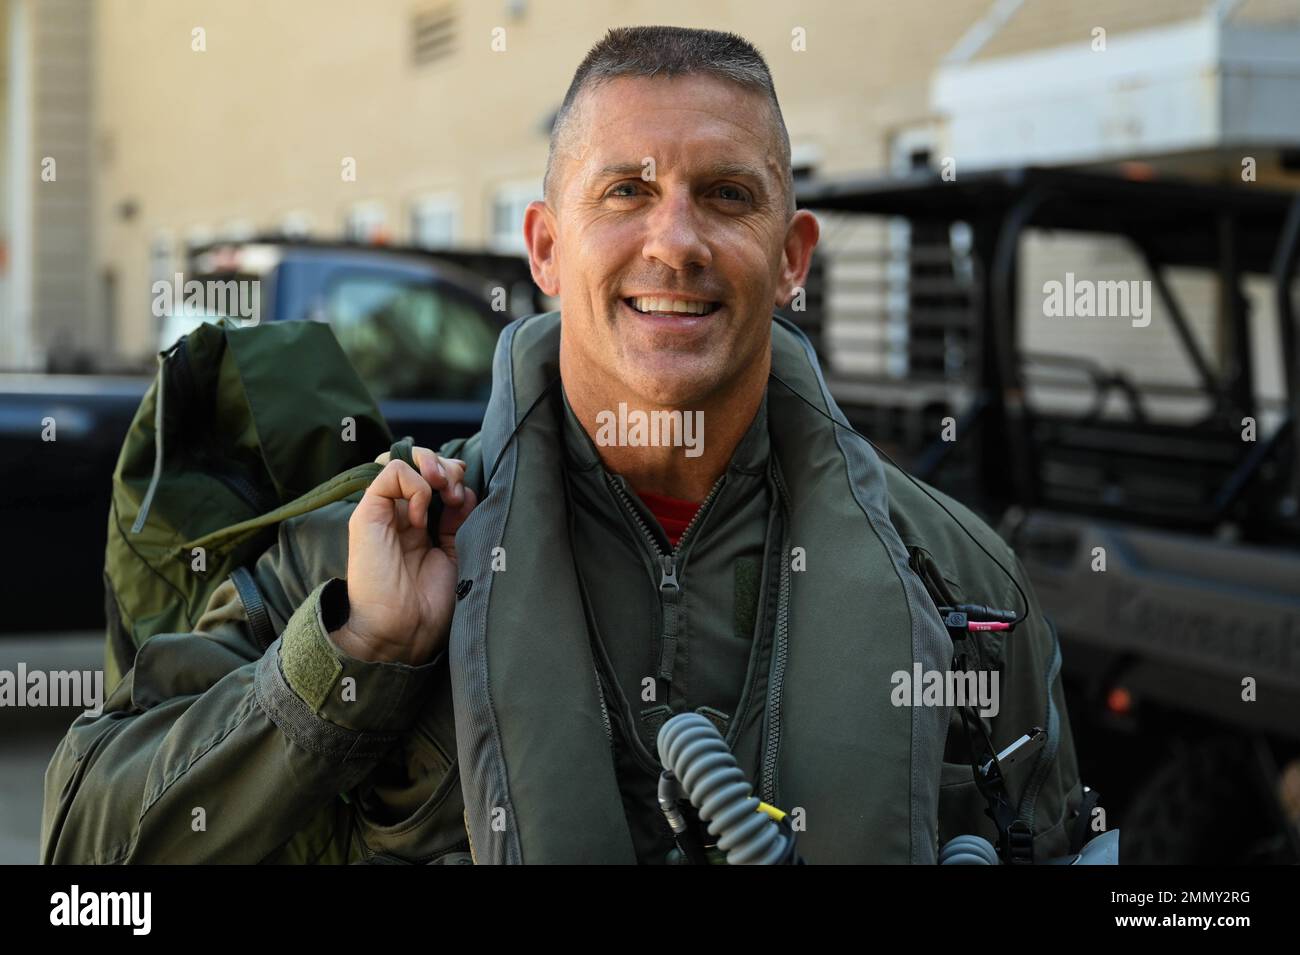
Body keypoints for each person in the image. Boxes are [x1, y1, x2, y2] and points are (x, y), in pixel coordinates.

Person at [42, 25, 1080, 865]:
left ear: (791, 254)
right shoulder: (367, 555)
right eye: (625, 192)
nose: (673, 241)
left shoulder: (957, 590)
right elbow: (87, 849)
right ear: (545, 246)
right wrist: (353, 653)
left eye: (726, 195)